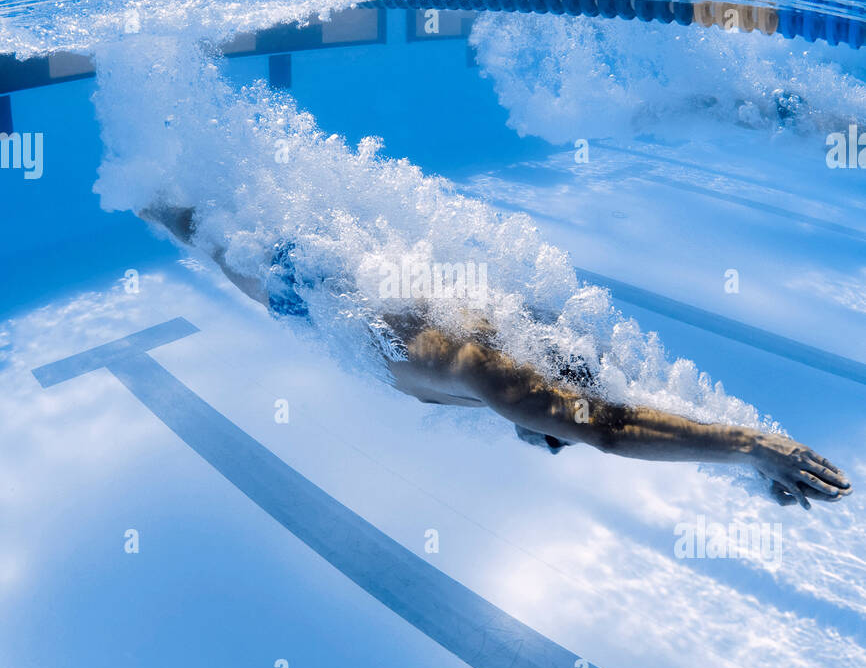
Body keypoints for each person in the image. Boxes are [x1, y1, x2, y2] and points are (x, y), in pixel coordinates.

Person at [140, 204, 852, 510]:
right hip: (311, 291)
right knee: (216, 244)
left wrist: (749, 467)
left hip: (342, 297)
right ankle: (155, 199)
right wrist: (756, 445)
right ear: (543, 397)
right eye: (553, 429)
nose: (548, 443)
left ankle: (173, 201)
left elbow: (615, 408)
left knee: (219, 234)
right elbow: (609, 428)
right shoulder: (495, 372)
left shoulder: (514, 345)